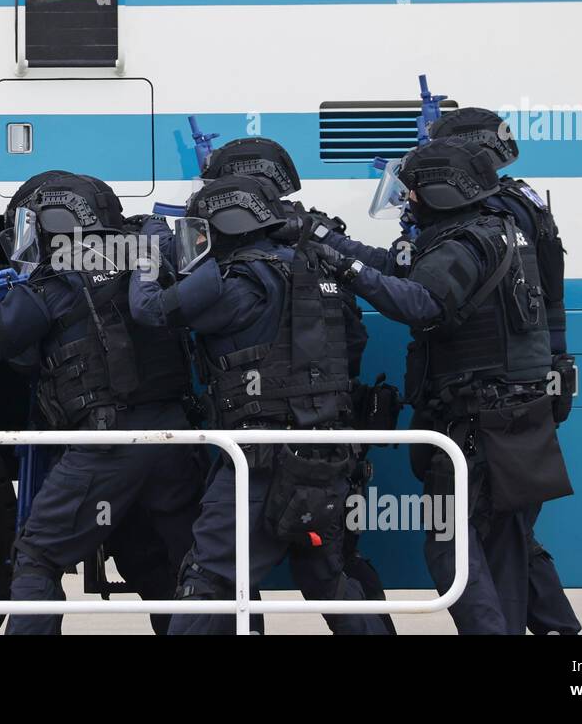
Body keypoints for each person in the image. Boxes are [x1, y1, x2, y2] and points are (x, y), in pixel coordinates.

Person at [0, 173, 204, 634]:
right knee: (171, 562)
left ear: (55, 223)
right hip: (176, 439)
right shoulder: (148, 259)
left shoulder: (57, 280)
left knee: (37, 556)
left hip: (108, 444)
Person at [315, 138, 575, 634]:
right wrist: (329, 239)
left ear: (439, 192)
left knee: (449, 545)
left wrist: (343, 268)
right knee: (506, 547)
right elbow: (399, 268)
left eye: (410, 192)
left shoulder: (461, 243)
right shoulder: (493, 230)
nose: (405, 201)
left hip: (479, 425)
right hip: (510, 420)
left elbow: (419, 302)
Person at [130, 174, 391, 635]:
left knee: (207, 580)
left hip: (263, 461)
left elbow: (152, 311)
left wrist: (149, 251)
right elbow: (354, 342)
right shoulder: (317, 271)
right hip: (325, 454)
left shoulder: (237, 283)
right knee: (325, 578)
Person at [201, 137, 398, 631]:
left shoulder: (243, 261)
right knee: (327, 572)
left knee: (216, 577)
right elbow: (353, 338)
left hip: (267, 441)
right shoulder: (318, 242)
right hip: (325, 434)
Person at [428, 107, 581, 635]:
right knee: (513, 529)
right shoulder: (526, 203)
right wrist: (557, 360)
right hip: (533, 381)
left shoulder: (490, 214)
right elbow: (551, 294)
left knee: (487, 533)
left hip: (495, 388)